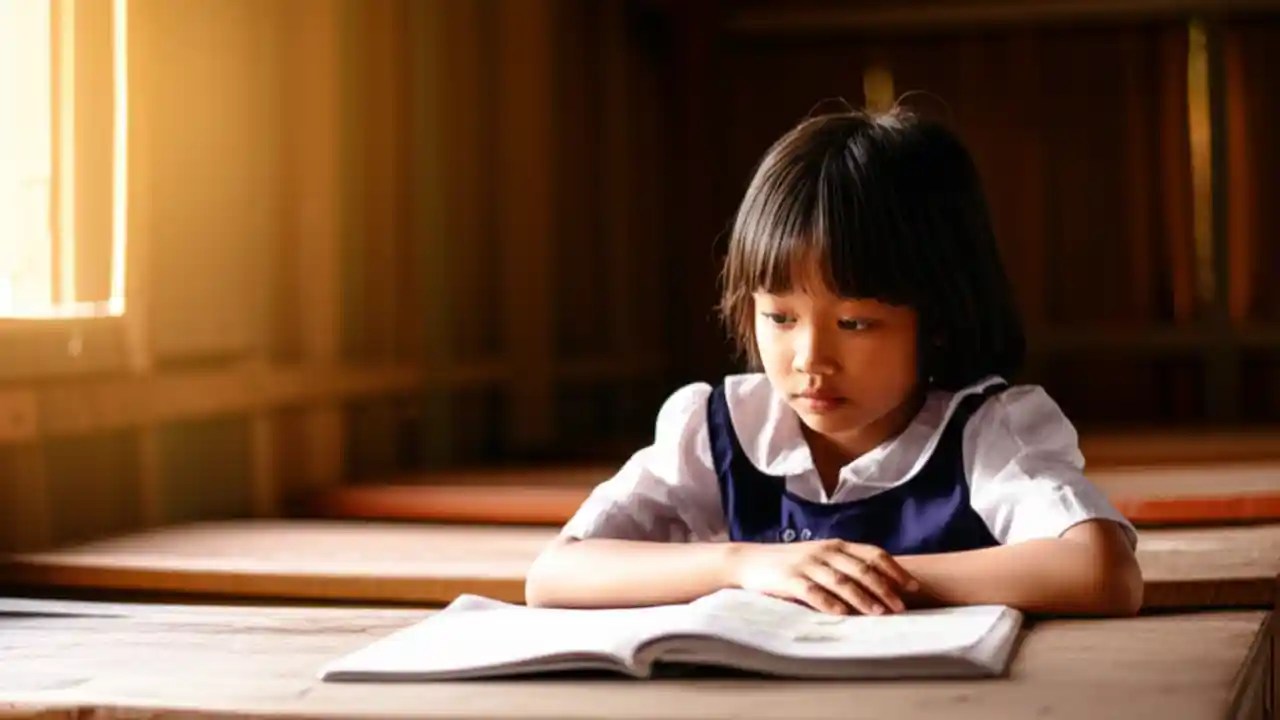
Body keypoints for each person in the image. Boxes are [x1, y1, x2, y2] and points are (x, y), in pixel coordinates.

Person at [525, 107, 1143, 617]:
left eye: (854, 323)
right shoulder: (718, 429)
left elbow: (1100, 569)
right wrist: (748, 565)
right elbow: (556, 573)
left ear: (940, 317)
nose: (810, 359)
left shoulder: (984, 431)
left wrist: (861, 577)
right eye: (780, 318)